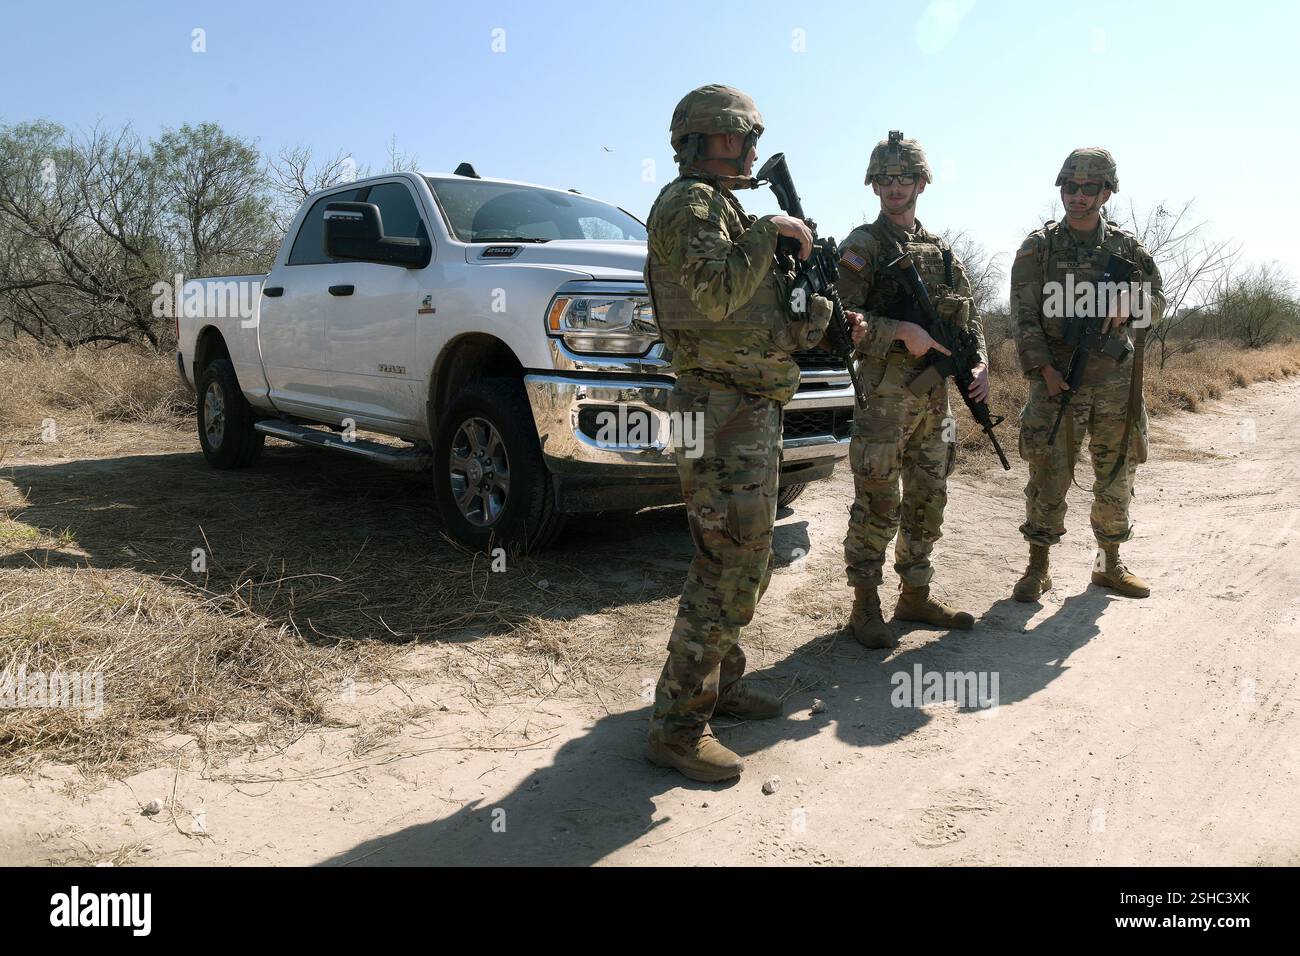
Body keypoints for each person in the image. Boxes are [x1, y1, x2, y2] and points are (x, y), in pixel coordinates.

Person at [643, 84, 840, 782]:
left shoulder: (725, 210)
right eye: (737, 139)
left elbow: (755, 319)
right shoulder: (689, 204)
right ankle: (676, 725)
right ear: (699, 143)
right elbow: (715, 293)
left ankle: (717, 687)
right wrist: (771, 231)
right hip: (719, 409)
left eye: (752, 138)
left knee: (735, 555)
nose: (752, 150)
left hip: (746, 406)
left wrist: (813, 306)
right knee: (731, 563)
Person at [837, 131, 988, 649]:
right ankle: (864, 606)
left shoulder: (942, 251)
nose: (893, 187)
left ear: (922, 182)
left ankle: (915, 594)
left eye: (903, 178)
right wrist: (902, 332)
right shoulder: (864, 245)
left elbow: (968, 318)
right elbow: (839, 320)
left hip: (934, 399)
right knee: (878, 500)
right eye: (884, 178)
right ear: (873, 184)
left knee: (929, 496)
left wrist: (982, 363)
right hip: (884, 398)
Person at [1010, 147, 1165, 601]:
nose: (1076, 196)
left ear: (1106, 192)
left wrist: (1130, 304)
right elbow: (1023, 315)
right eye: (1069, 187)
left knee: (1117, 473)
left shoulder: (1128, 248)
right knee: (1048, 473)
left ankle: (1108, 564)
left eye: (1088, 188)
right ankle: (1038, 568)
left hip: (1116, 381)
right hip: (1058, 378)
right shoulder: (1038, 247)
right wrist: (1043, 368)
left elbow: (1157, 300)